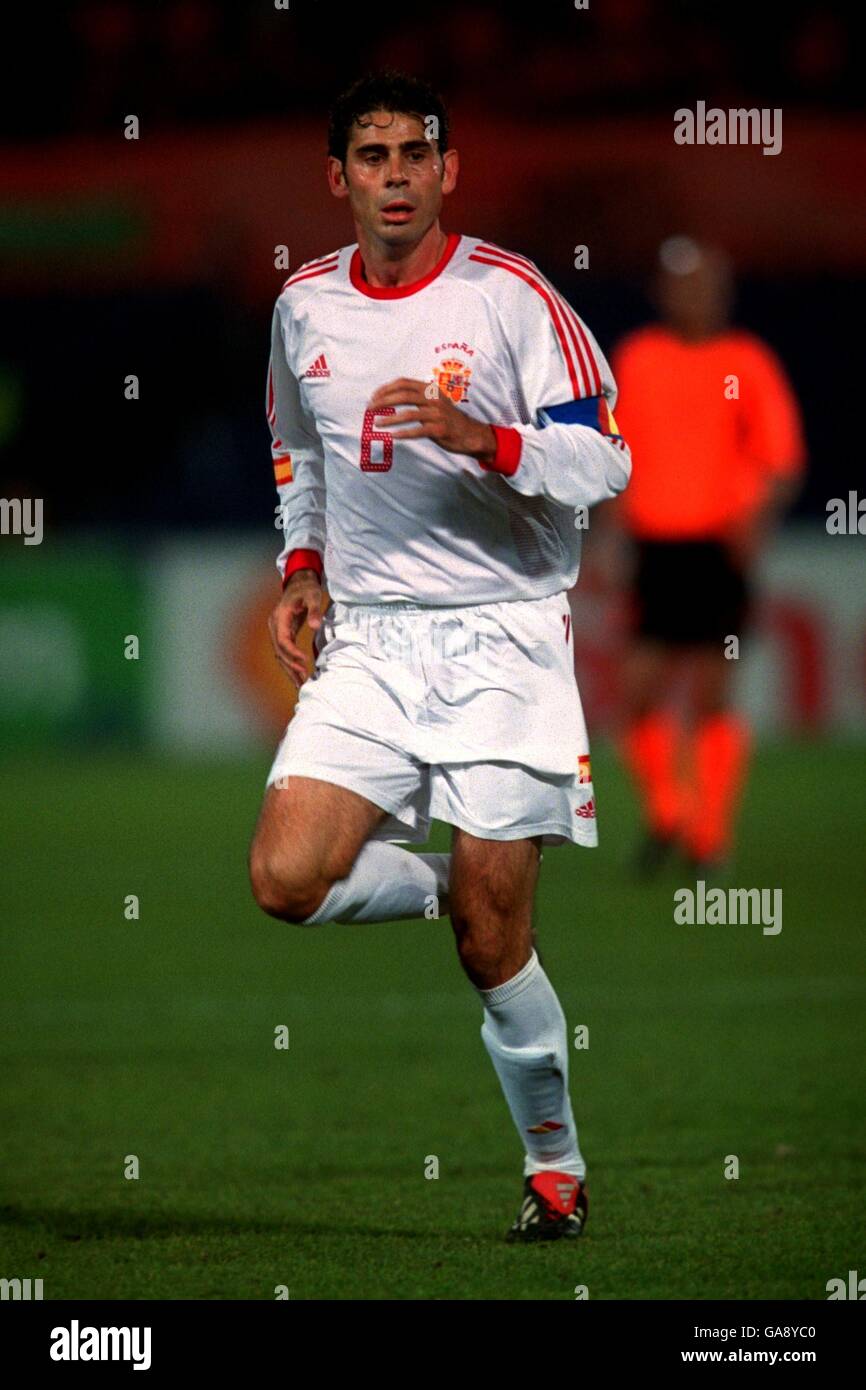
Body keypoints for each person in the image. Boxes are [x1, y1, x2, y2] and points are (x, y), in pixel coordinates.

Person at [247, 70, 631, 1241]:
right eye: (373, 156)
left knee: (489, 948)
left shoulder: (511, 297)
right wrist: (301, 566)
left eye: (417, 153)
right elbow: (294, 444)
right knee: (284, 880)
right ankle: (466, 886)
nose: (397, 174)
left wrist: (489, 437)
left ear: (448, 170)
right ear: (338, 178)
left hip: (503, 641)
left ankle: (552, 1166)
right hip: (369, 641)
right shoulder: (304, 305)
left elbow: (604, 460)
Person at [610, 236, 805, 876]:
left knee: (713, 693)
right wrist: (608, 535)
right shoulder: (639, 359)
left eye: (703, 284)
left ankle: (709, 835)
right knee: (638, 689)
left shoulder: (745, 362)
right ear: (663, 291)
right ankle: (669, 811)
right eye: (681, 284)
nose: (693, 295)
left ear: (721, 291)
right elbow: (612, 454)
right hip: (655, 546)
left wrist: (755, 514)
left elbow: (781, 459)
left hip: (716, 548)